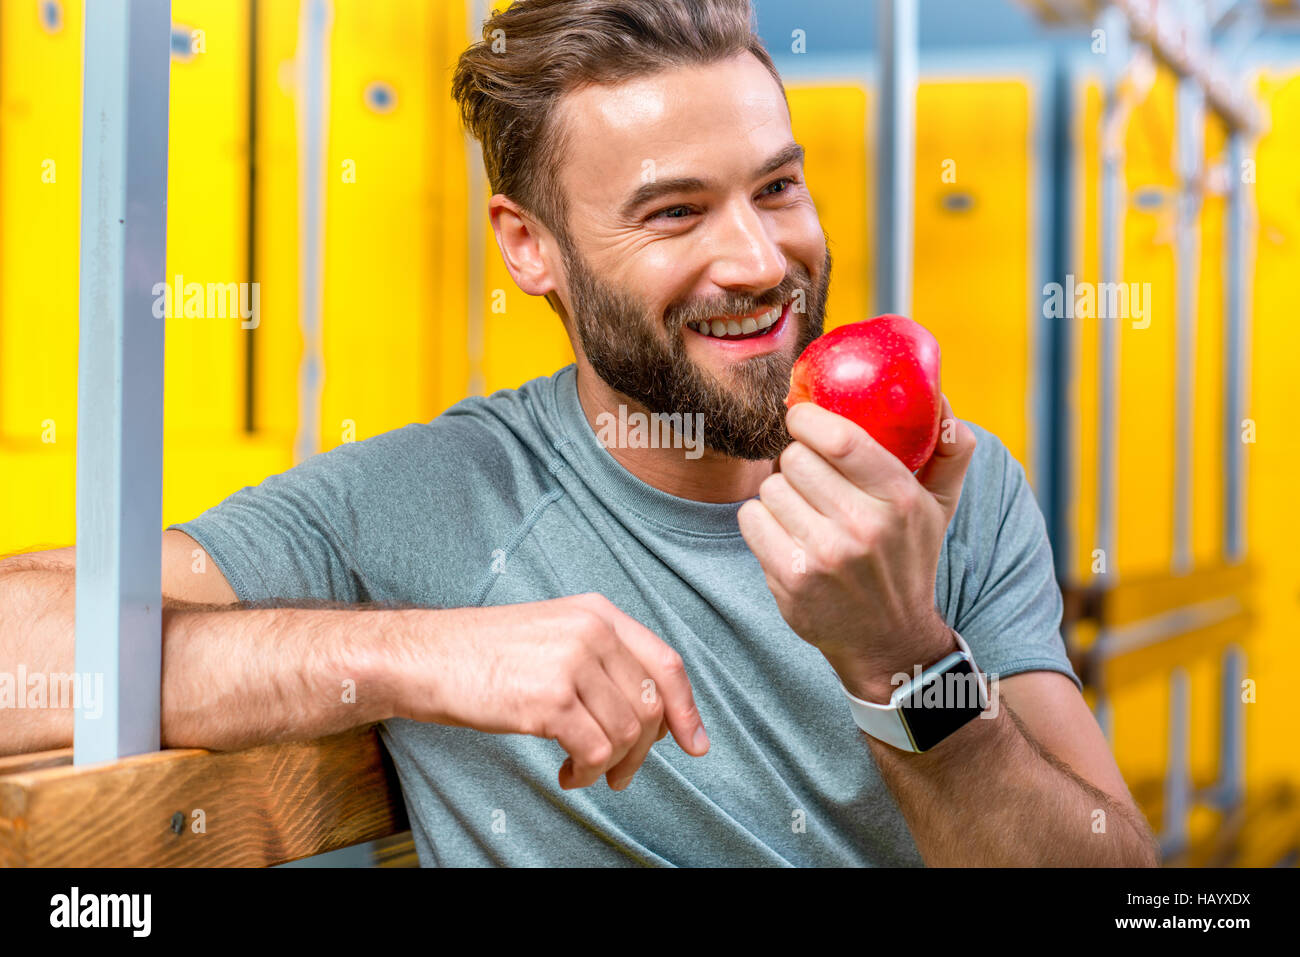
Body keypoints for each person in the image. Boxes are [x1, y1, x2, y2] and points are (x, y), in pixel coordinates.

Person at [0, 0, 1157, 867]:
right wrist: (415, 653)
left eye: (778, 189)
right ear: (528, 246)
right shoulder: (435, 499)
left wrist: (903, 659)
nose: (759, 260)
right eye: (674, 211)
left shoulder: (945, 484)